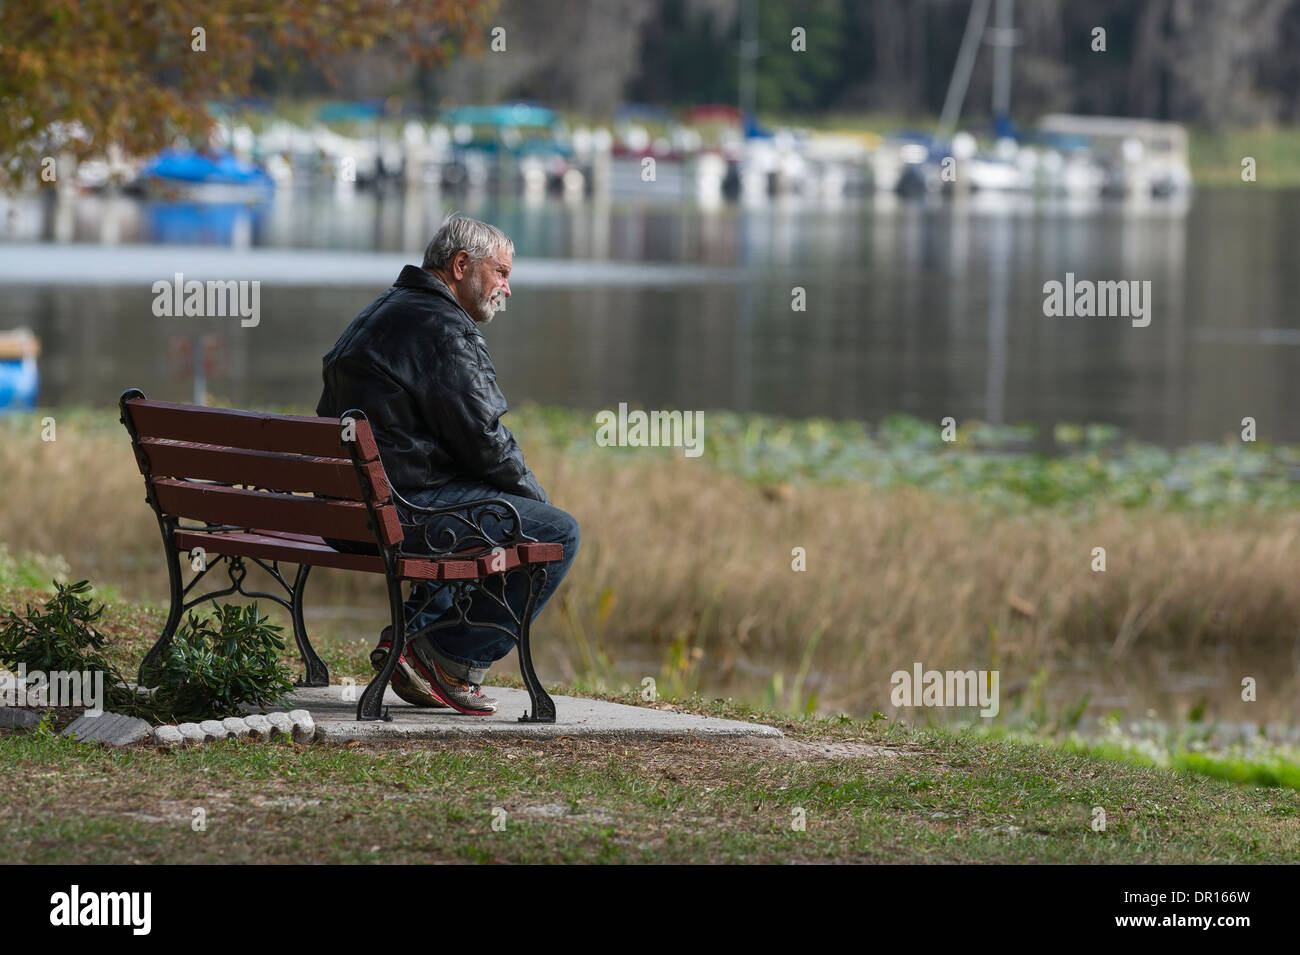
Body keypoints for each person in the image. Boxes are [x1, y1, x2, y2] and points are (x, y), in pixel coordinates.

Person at [315, 215, 579, 714]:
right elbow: (487, 443)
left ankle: (412, 641)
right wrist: (539, 505)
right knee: (556, 533)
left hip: (346, 514)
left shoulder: (382, 312)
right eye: (500, 273)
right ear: (461, 266)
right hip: (399, 516)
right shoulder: (444, 331)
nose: (507, 288)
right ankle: (450, 659)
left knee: (478, 506)